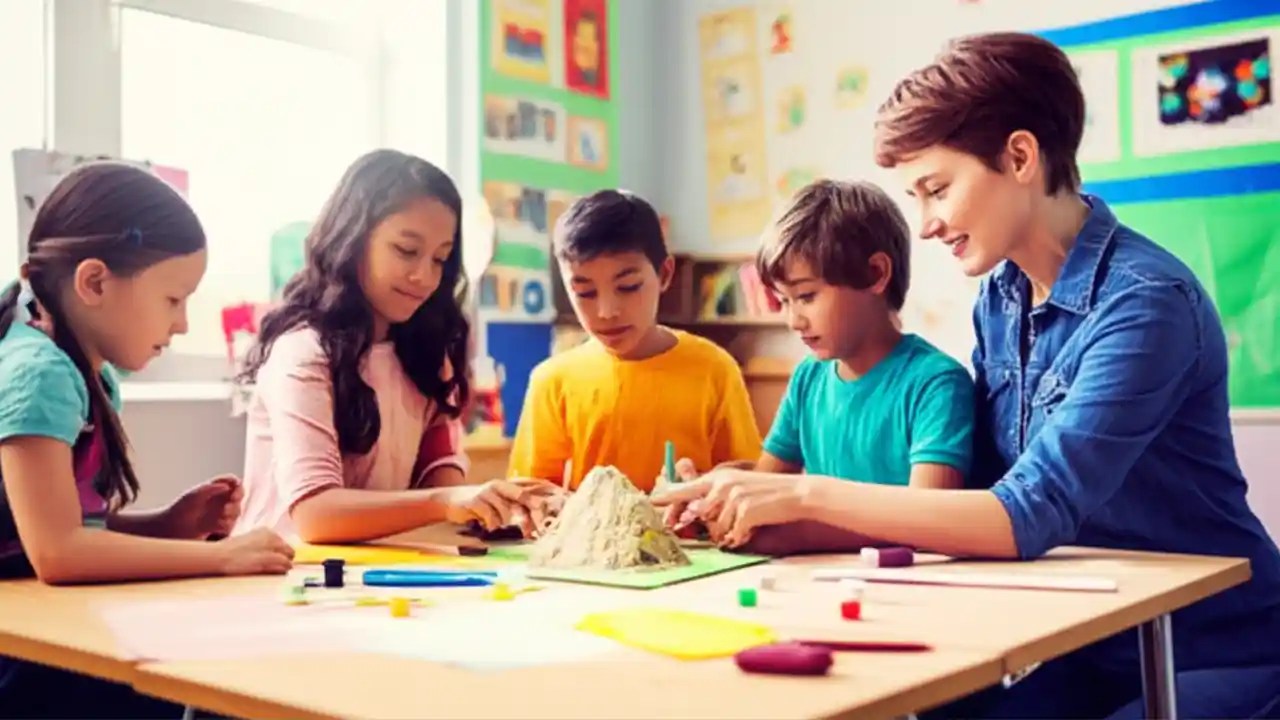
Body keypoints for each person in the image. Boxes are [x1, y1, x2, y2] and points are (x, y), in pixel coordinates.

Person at [654, 32, 1280, 719]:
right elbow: (972, 495)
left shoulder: (1146, 305)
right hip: (1087, 635)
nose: (923, 224)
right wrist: (749, 516)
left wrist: (803, 495)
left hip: (1209, 643)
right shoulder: (1002, 297)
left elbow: (1024, 514)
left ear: (1019, 157)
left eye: (936, 190)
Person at [0, 162, 294, 717]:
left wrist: (168, 526)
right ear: (94, 283)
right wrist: (224, 558)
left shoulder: (82, 370)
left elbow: (60, 527)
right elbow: (57, 552)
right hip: (20, 656)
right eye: (173, 299)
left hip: (34, 627)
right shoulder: (38, 371)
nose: (183, 324)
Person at [235, 150, 560, 543]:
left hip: (377, 571)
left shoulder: (424, 353)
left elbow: (437, 471)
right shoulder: (303, 351)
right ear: (352, 239)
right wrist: (444, 501)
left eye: (440, 259)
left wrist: (487, 504)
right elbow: (315, 515)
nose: (424, 276)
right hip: (285, 574)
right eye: (406, 251)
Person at [663, 179, 974, 554]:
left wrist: (797, 534)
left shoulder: (936, 385)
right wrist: (711, 495)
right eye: (784, 301)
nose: (794, 320)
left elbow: (930, 519)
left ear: (876, 274)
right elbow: (768, 482)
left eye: (806, 297)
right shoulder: (808, 379)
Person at [508, 189, 761, 493]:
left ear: (665, 274)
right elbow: (530, 495)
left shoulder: (713, 369)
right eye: (585, 293)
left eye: (628, 286)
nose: (607, 312)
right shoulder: (552, 382)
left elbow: (747, 479)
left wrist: (707, 488)